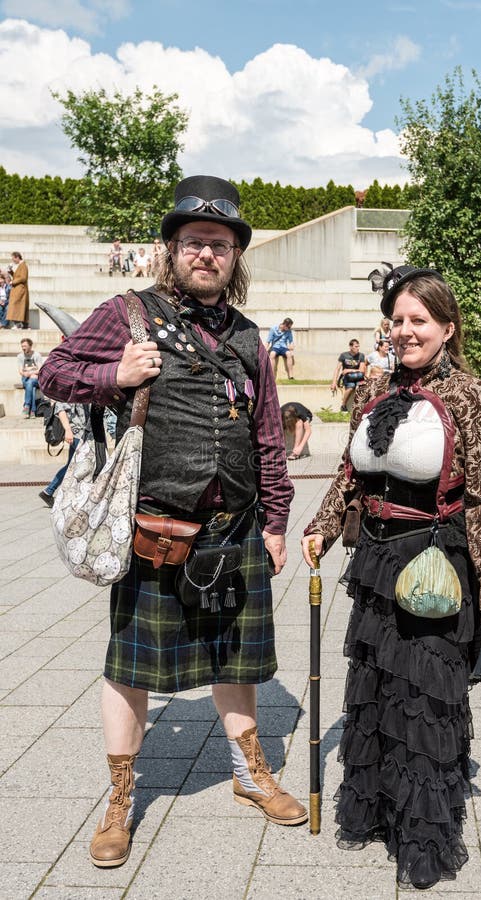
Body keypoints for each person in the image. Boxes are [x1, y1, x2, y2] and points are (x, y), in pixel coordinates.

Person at [39, 174, 307, 870]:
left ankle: (250, 774)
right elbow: (53, 373)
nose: (206, 254)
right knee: (130, 666)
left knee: (238, 659)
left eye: (219, 244)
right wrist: (115, 376)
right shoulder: (127, 313)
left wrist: (275, 521)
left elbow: (268, 437)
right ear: (170, 248)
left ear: (235, 256)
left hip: (235, 526)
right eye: (193, 241)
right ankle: (121, 799)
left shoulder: (249, 338)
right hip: (156, 526)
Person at [302, 265, 481, 890]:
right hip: (375, 560)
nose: (405, 330)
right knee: (377, 687)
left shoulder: (477, 396)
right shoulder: (376, 394)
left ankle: (423, 838)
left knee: (423, 700)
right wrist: (321, 525)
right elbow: (349, 474)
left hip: (434, 565)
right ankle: (382, 814)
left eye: (419, 320)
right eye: (397, 320)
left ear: (447, 327)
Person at [38, 403, 91, 507]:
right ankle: (80, 495)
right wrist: (67, 430)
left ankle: (48, 492)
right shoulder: (69, 388)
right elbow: (61, 409)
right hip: (76, 433)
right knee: (86, 464)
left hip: (84, 432)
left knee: (70, 466)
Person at [331, 339, 366, 411]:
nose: (358, 348)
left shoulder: (361, 355)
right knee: (351, 387)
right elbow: (337, 369)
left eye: (358, 346)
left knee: (361, 387)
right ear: (350, 347)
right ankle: (343, 405)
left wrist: (349, 370)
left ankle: (360, 408)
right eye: (356, 346)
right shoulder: (344, 355)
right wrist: (334, 382)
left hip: (358, 376)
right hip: (348, 377)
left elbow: (362, 370)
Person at [17, 337, 42, 417]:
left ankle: (27, 406)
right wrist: (28, 374)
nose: (23, 348)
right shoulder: (20, 356)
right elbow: (21, 371)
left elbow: (40, 370)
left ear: (30, 346)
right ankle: (33, 410)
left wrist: (32, 373)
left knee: (31, 382)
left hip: (36, 378)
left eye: (25, 346)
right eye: (22, 346)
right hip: (26, 378)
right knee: (31, 386)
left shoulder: (37, 355)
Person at [6, 251, 29, 328]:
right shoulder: (20, 265)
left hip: (20, 290)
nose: (13, 261)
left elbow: (23, 278)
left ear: (17, 257)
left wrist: (13, 282)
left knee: (17, 307)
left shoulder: (23, 266)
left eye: (13, 259)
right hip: (17, 289)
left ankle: (18, 324)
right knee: (15, 306)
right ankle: (18, 324)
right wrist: (11, 271)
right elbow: (17, 276)